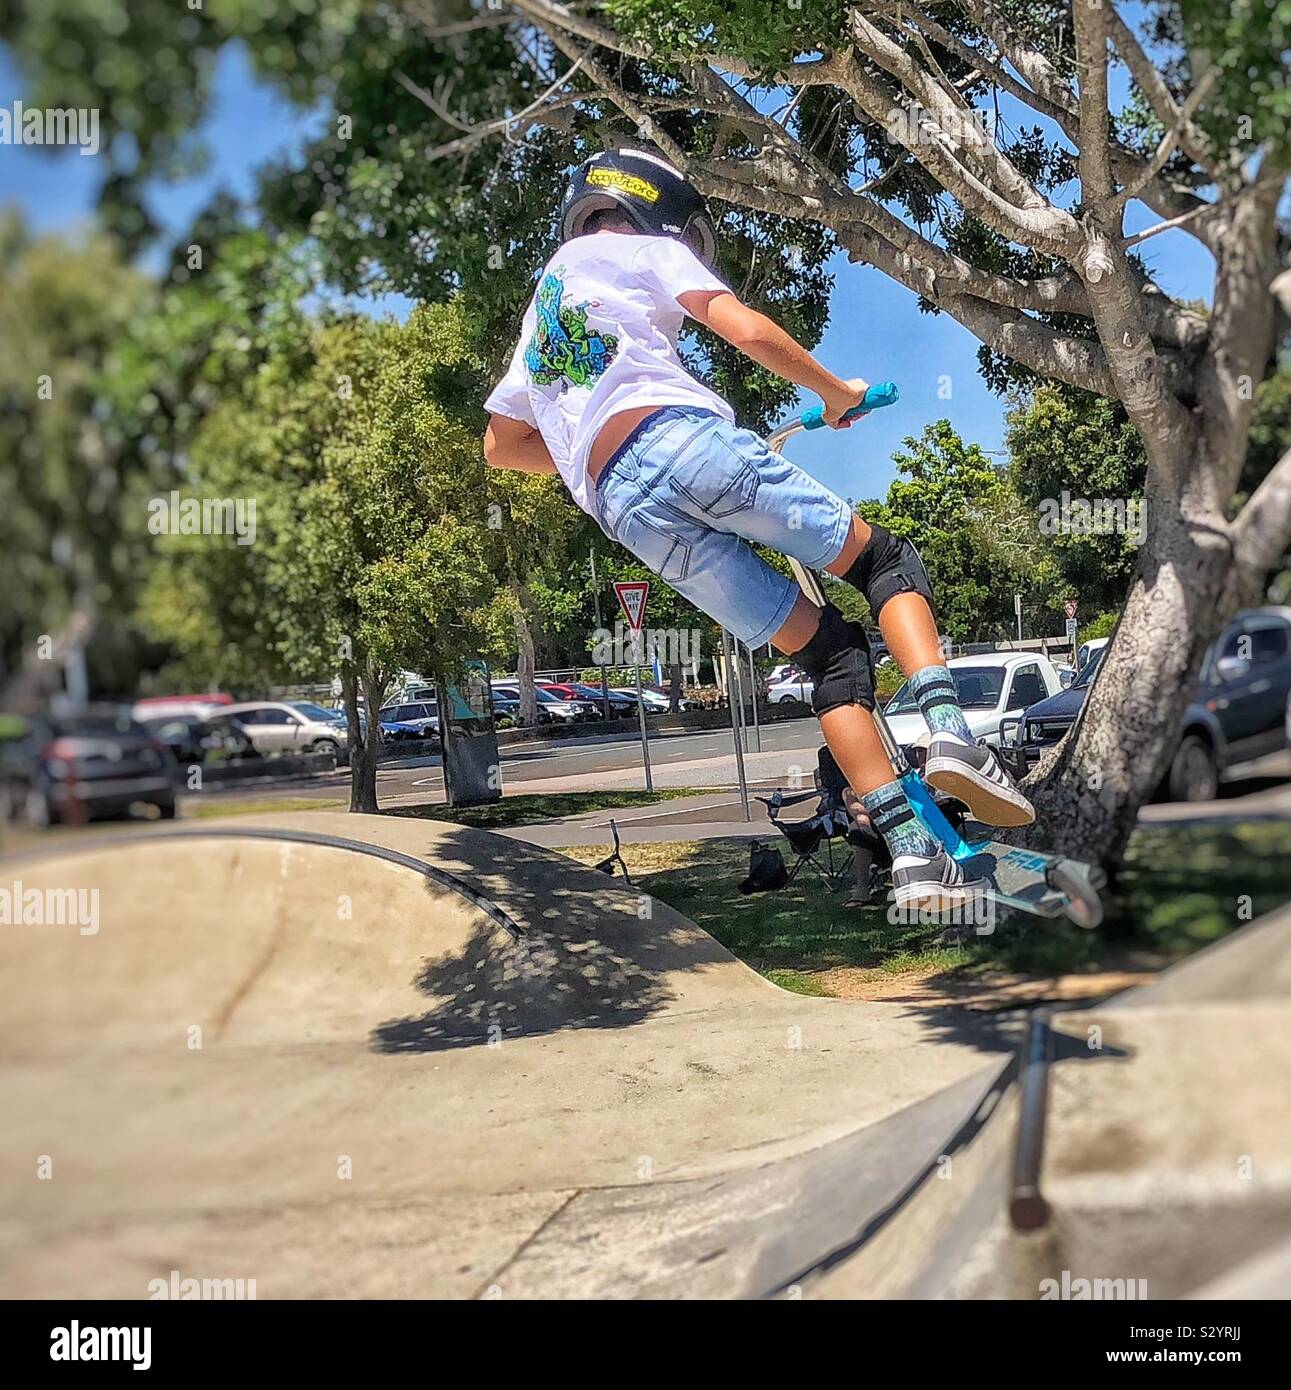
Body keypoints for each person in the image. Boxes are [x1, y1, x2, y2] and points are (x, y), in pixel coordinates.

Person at [483, 148, 1034, 911]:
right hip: (684, 442)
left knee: (830, 658)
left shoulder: (538, 312)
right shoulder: (645, 249)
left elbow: (502, 447)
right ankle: (951, 733)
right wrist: (834, 391)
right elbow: (740, 328)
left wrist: (592, 448)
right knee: (883, 562)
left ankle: (909, 854)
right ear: (657, 214)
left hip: (625, 511)